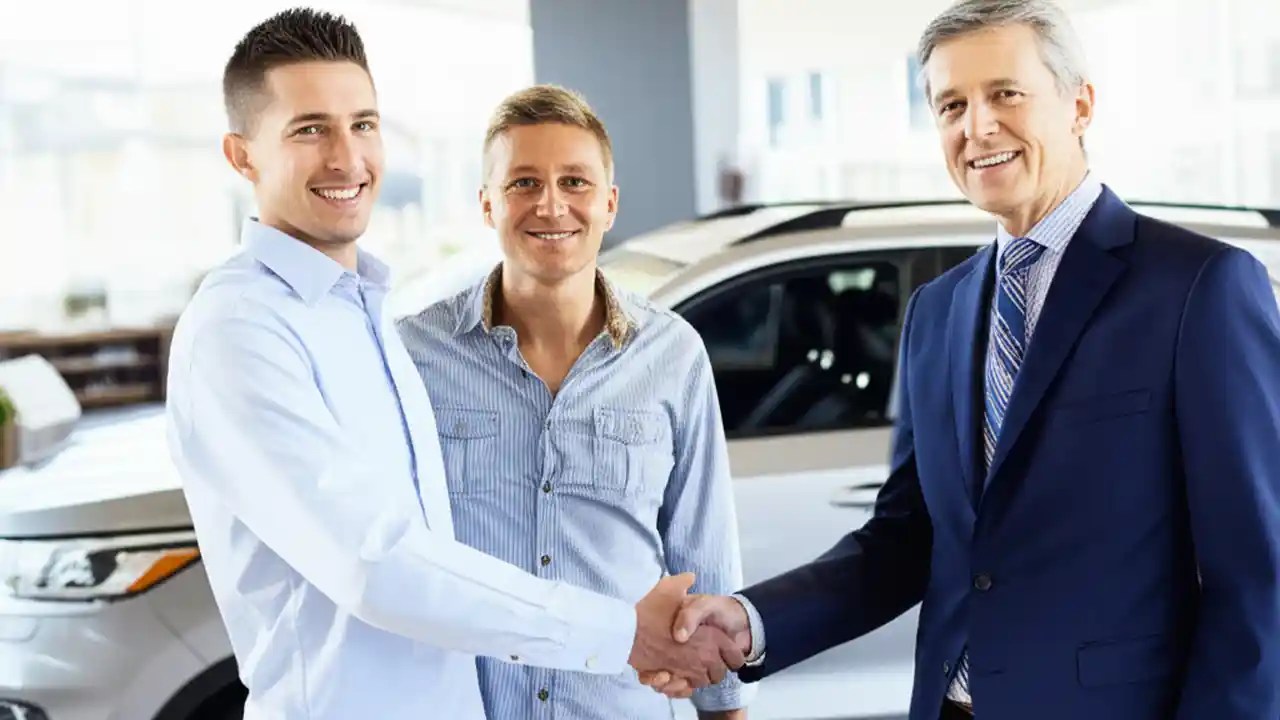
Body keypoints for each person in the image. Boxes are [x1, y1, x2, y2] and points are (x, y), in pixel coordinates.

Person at [652, 1, 1280, 718]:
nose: (976, 126)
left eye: (1005, 93)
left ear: (1080, 104)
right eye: (951, 104)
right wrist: (752, 621)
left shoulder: (1197, 287)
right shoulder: (938, 312)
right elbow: (905, 541)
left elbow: (1259, 578)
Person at [165, 9, 740, 720]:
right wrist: (622, 631)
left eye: (364, 124)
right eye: (310, 129)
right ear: (242, 155)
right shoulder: (239, 328)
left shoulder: (363, 315)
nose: (347, 157)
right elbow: (374, 564)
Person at [397, 85, 752, 720]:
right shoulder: (416, 356)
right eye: (523, 182)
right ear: (487, 204)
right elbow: (395, 558)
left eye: (575, 182)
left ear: (610, 203)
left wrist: (724, 708)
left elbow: (704, 559)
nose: (551, 204)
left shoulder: (674, 355)